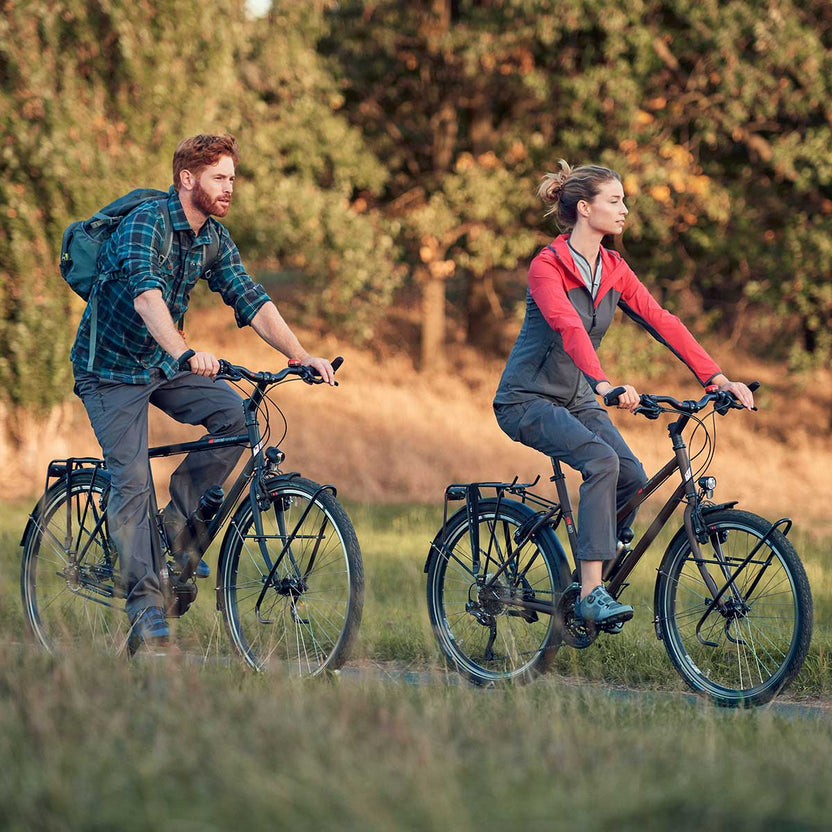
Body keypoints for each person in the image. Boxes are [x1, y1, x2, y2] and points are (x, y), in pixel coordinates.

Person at [70, 133, 335, 650]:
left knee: (236, 419)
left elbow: (250, 297)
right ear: (187, 179)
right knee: (132, 480)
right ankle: (144, 606)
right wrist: (184, 354)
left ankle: (173, 524)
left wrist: (300, 355)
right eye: (220, 177)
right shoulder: (145, 224)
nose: (230, 187)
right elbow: (147, 297)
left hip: (161, 364)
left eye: (233, 178)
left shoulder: (211, 237)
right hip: (108, 372)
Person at [492, 160, 754, 630]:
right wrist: (604, 384)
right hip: (526, 399)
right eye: (615, 201)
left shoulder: (612, 267)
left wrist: (715, 379)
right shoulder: (547, 266)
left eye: (623, 201)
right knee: (602, 463)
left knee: (631, 476)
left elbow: (662, 320)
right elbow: (568, 327)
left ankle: (587, 578)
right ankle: (592, 592)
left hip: (577, 398)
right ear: (585, 208)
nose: (625, 210)